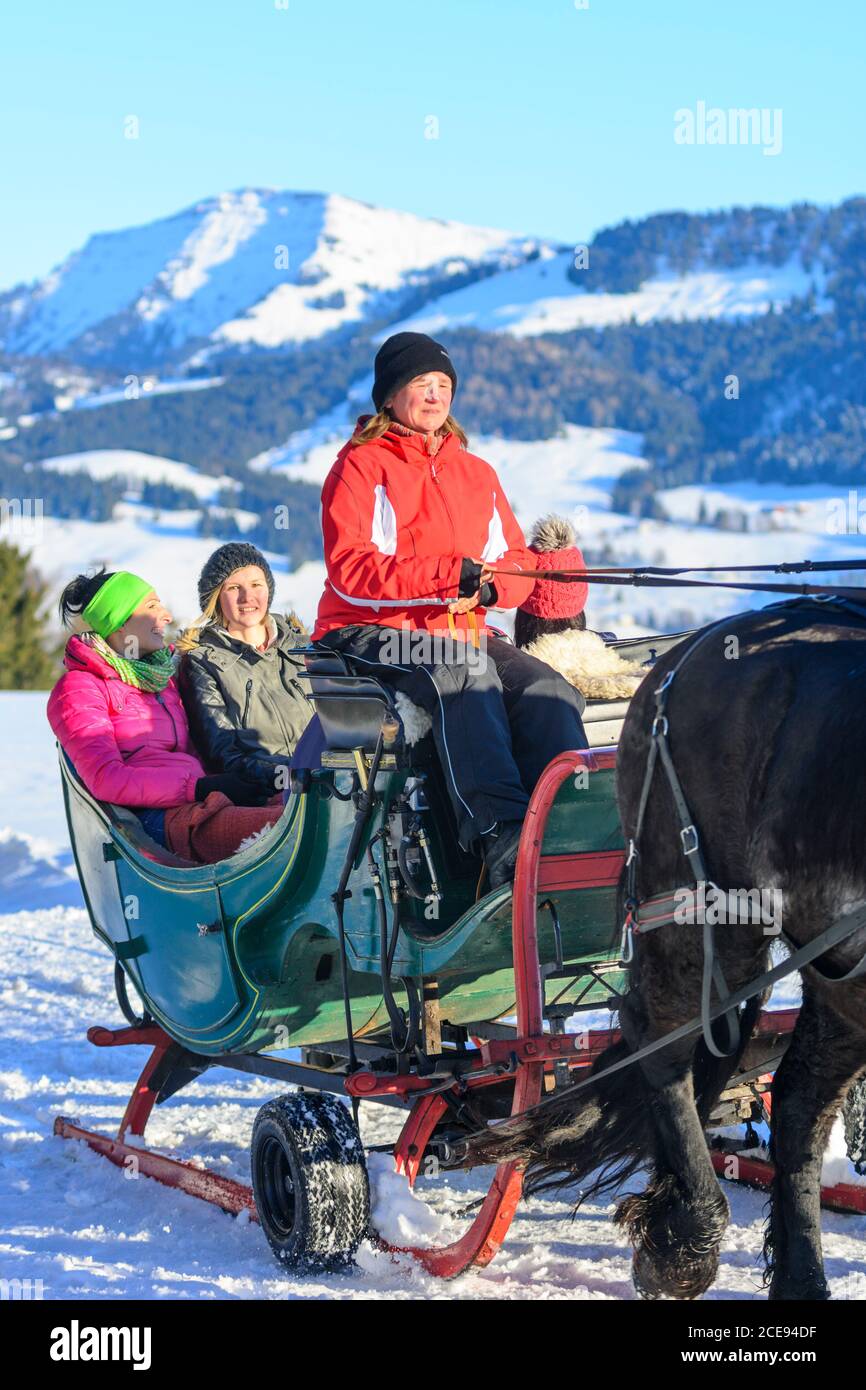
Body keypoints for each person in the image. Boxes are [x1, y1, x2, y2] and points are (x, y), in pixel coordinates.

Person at [310, 330, 588, 890]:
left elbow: (513, 559)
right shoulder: (360, 467)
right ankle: (501, 835)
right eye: (421, 384)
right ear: (389, 396)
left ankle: (570, 828)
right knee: (465, 673)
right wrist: (446, 577)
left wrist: (491, 591)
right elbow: (351, 570)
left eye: (444, 385)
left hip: (462, 630)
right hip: (369, 632)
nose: (435, 396)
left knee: (549, 689)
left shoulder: (476, 473)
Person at [47, 569, 284, 864]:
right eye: (152, 606)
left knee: (303, 806)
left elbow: (192, 753)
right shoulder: (79, 689)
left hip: (198, 801)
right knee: (285, 830)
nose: (166, 616)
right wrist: (196, 788)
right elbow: (106, 778)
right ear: (120, 623)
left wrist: (238, 780)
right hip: (151, 823)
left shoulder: (161, 680)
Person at [176, 543, 313, 799]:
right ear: (215, 598)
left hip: (334, 785)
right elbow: (223, 754)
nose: (247, 597)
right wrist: (285, 775)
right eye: (234, 588)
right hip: (268, 795)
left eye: (256, 585)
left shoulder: (302, 646)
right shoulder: (203, 663)